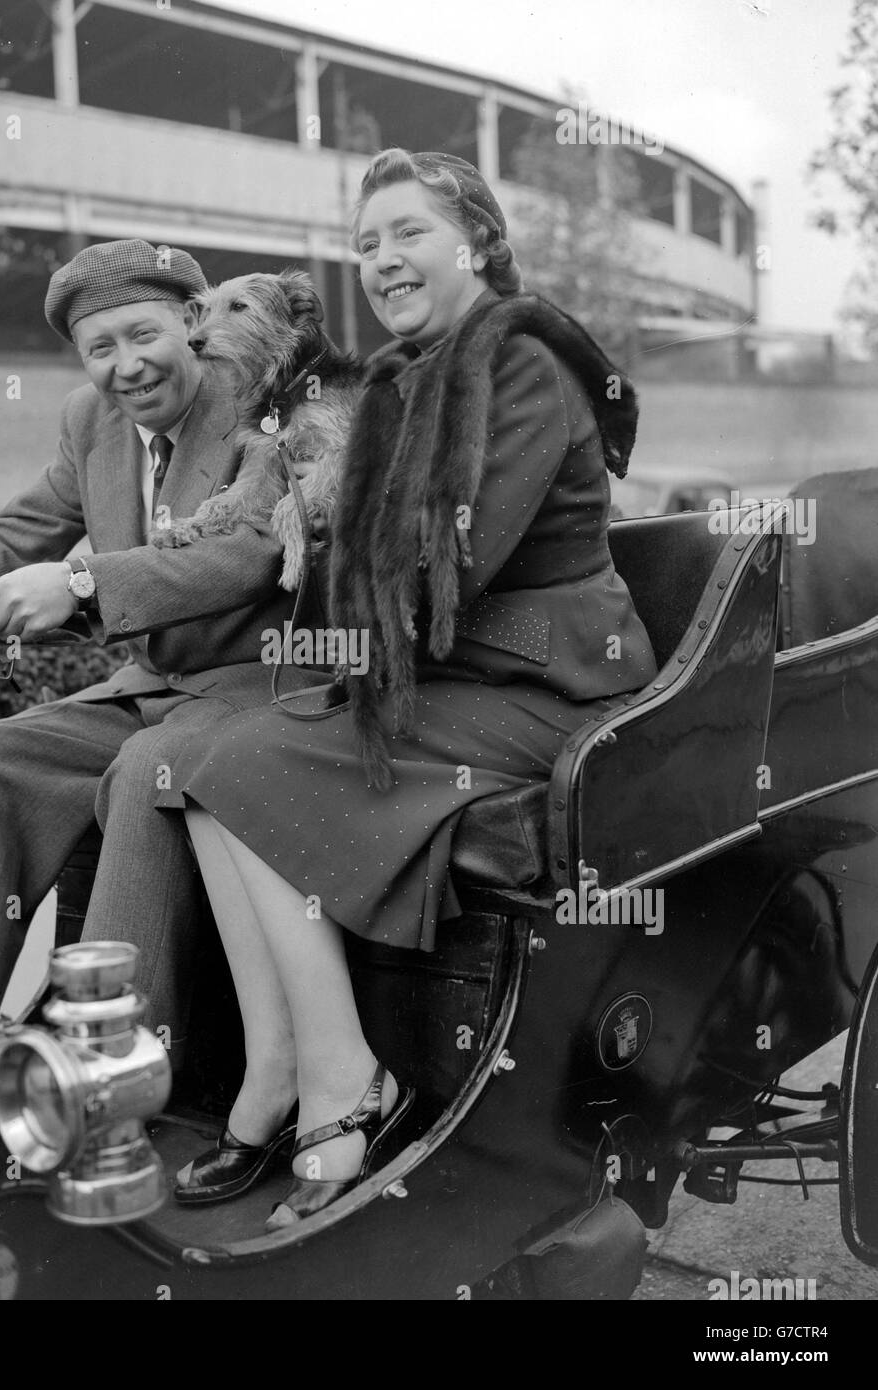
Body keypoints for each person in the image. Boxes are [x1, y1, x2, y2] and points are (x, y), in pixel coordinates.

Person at [168, 149, 658, 1229]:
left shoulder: (521, 366)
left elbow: (444, 564)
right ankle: (283, 1061)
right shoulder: (402, 377)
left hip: (550, 687)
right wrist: (310, 514)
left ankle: (348, 1083)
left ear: (475, 241)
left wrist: (326, 515)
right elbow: (361, 557)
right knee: (194, 768)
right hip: (452, 671)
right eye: (365, 244)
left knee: (244, 760)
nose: (380, 260)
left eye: (406, 233)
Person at [0, 239, 322, 1063]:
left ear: (192, 322)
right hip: (155, 688)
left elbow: (258, 547)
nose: (128, 367)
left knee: (143, 770)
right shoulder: (91, 423)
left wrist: (82, 583)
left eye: (144, 334)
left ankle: (107, 1067)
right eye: (99, 349)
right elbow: (20, 530)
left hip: (268, 689)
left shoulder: (263, 394)